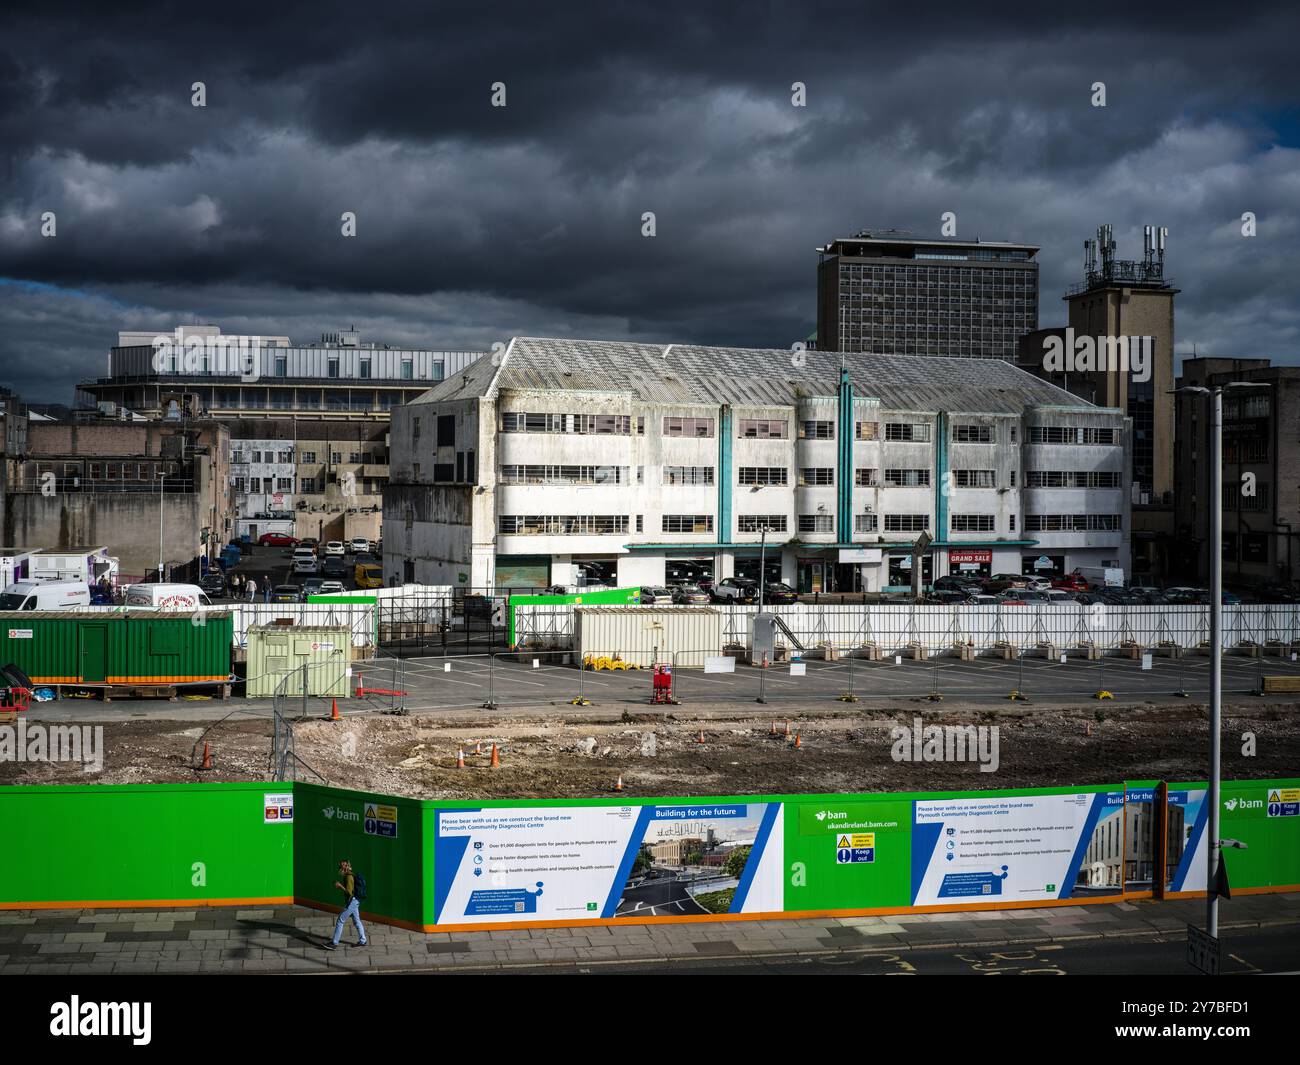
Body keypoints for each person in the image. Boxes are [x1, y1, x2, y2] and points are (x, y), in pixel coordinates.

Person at [325, 859, 367, 950]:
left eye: (342, 865)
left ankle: (334, 943)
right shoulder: (350, 875)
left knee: (340, 920)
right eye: (340, 865)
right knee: (356, 921)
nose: (341, 867)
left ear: (346, 867)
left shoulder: (348, 877)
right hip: (356, 900)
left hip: (353, 901)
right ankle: (363, 940)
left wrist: (339, 886)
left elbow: (349, 892)